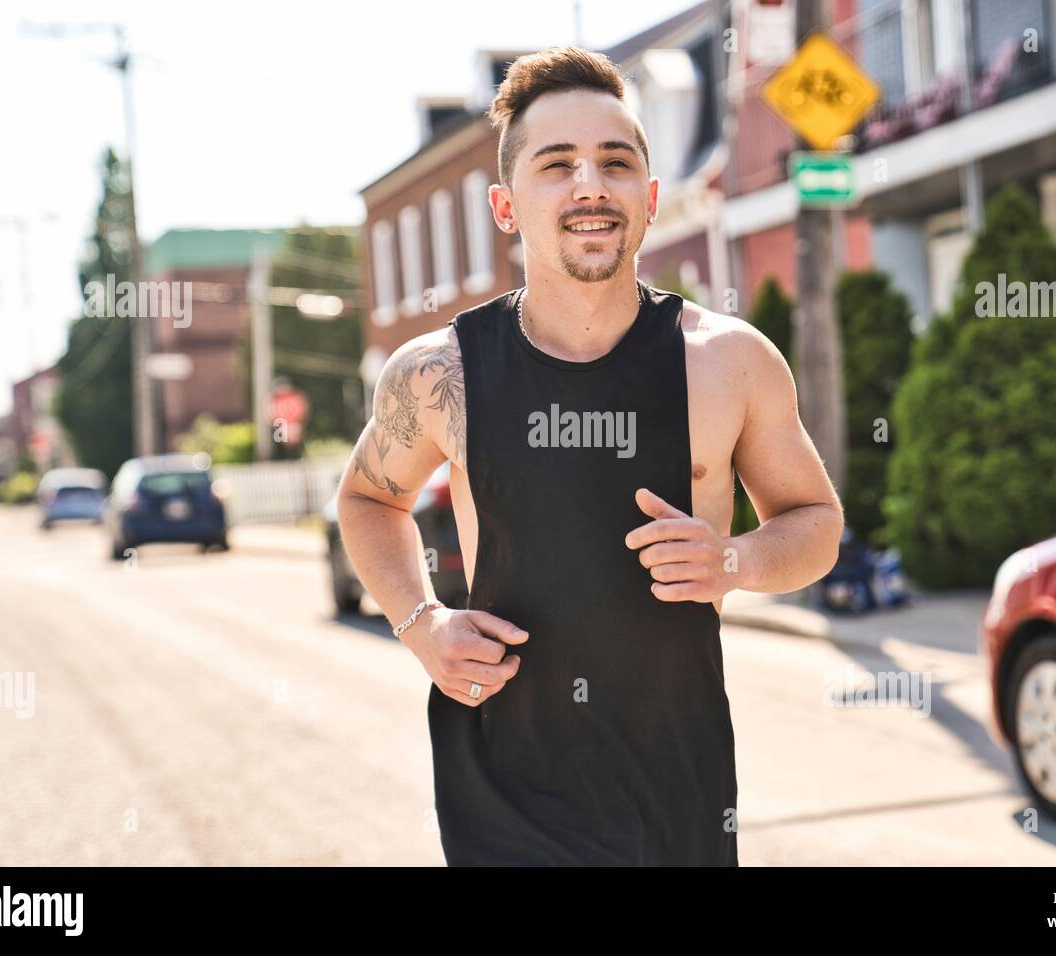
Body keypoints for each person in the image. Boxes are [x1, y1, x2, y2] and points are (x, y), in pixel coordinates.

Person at [336, 45, 844, 866]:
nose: (589, 185)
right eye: (556, 164)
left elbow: (816, 522)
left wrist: (736, 559)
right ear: (506, 207)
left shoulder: (728, 361)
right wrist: (420, 622)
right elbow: (366, 500)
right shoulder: (441, 373)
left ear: (649, 196)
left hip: (679, 791)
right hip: (503, 794)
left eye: (614, 161)